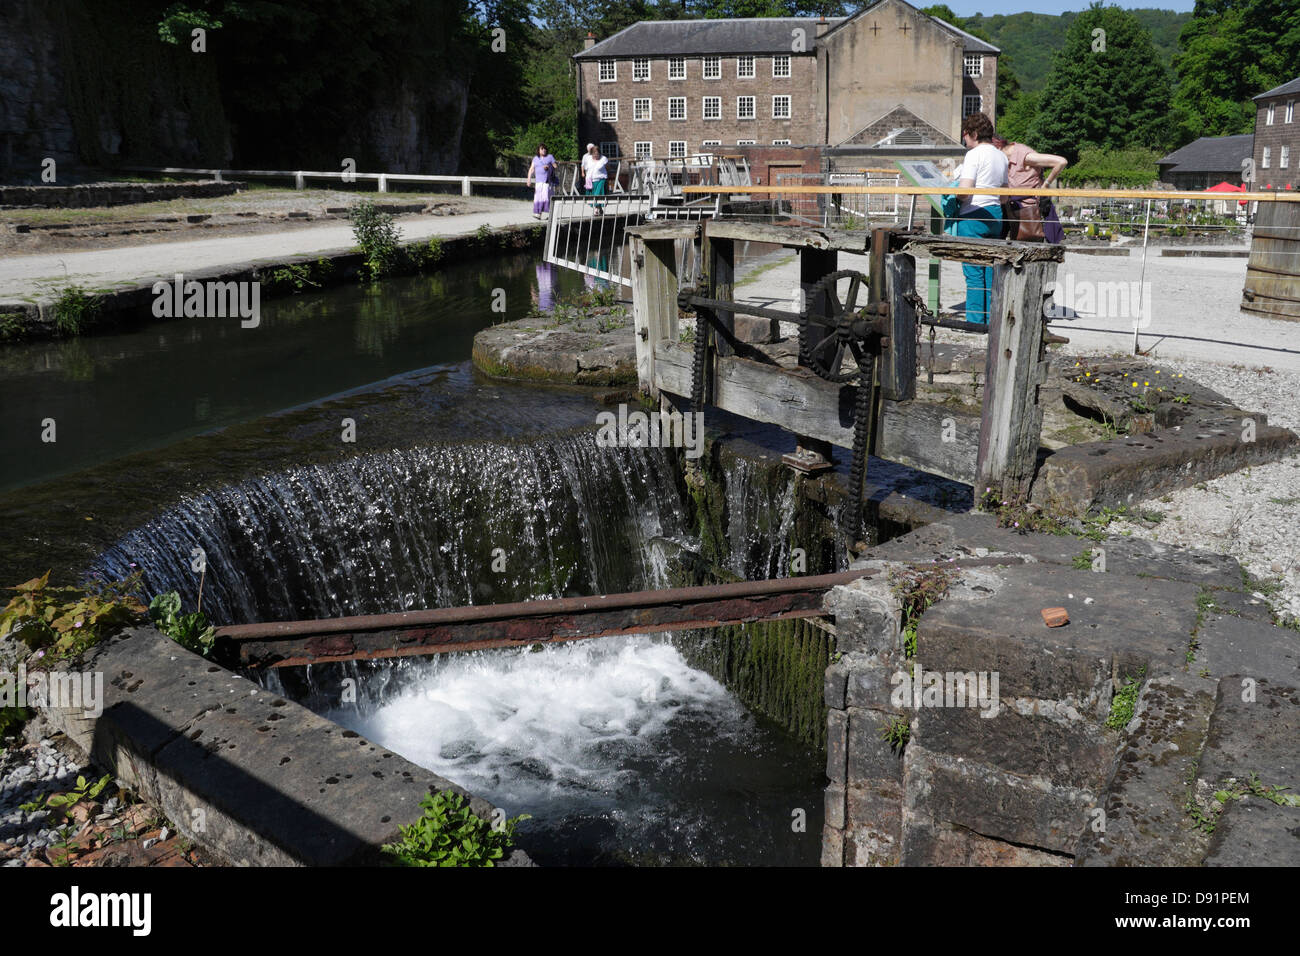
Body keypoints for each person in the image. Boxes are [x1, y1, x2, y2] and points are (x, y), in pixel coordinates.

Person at [955, 112, 1008, 325]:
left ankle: (975, 321)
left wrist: (953, 191)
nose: (964, 140)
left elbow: (964, 192)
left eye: (965, 135)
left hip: (973, 214)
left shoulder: (974, 155)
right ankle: (991, 319)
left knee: (973, 271)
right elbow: (1004, 195)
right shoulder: (1001, 156)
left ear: (974, 134)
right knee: (989, 269)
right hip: (996, 214)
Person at [993, 135, 1067, 243]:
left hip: (1027, 210)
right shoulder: (1006, 158)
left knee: (1029, 246)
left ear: (998, 147)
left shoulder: (1024, 155)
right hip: (1011, 207)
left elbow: (1061, 162)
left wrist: (1045, 185)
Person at [527, 144, 557, 219]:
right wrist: (529, 179)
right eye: (542, 148)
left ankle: (548, 214)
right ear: (538, 150)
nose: (544, 150)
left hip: (547, 181)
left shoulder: (550, 157)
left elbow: (555, 166)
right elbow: (531, 169)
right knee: (537, 197)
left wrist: (549, 166)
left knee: (545, 197)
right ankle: (538, 213)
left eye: (545, 149)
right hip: (538, 181)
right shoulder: (535, 158)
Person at [581, 143, 608, 215]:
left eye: (597, 154)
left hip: (601, 179)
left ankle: (596, 209)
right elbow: (587, 169)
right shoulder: (588, 159)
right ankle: (600, 208)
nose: (596, 156)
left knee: (598, 194)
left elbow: (607, 167)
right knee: (594, 195)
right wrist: (586, 177)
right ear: (592, 154)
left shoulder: (603, 159)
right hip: (592, 180)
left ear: (599, 153)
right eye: (594, 154)